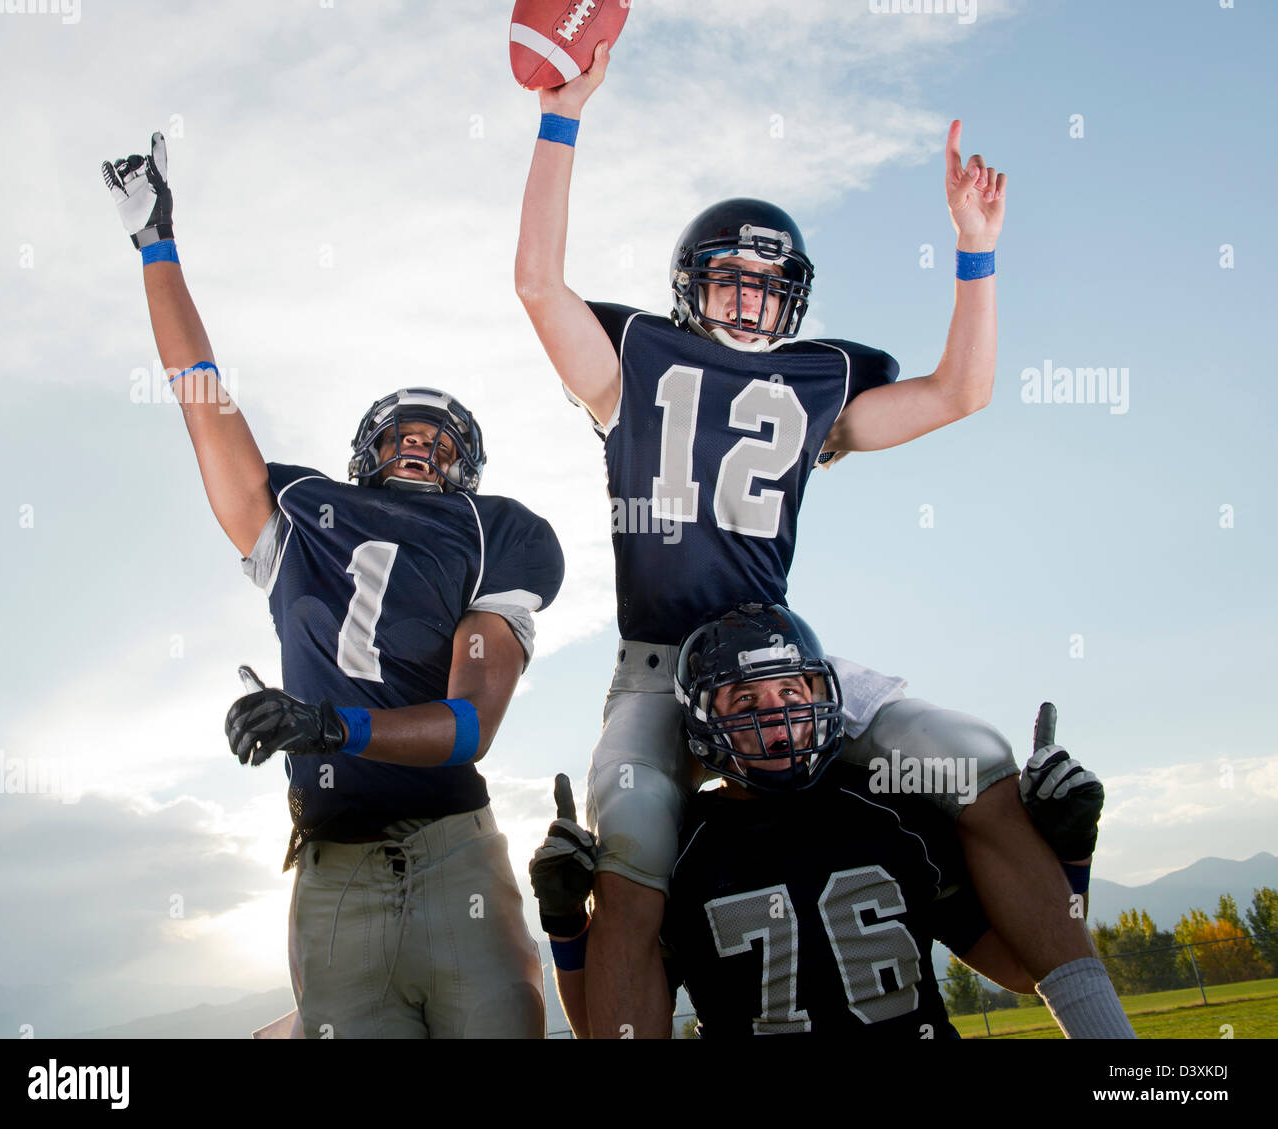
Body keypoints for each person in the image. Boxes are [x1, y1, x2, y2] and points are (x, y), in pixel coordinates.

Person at [514, 46, 1119, 1039]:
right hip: (659, 671)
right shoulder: (632, 365)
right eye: (730, 278)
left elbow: (958, 395)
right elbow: (538, 283)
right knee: (631, 850)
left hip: (784, 661)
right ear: (689, 287)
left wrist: (976, 250)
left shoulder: (816, 382)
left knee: (973, 757)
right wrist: (562, 116)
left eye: (768, 282)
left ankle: (1109, 1047)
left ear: (792, 295)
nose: (750, 298)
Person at [104, 134, 564, 1038]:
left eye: (439, 438)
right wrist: (157, 247)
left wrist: (327, 724)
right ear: (364, 456)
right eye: (404, 435)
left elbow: (469, 728)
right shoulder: (304, 516)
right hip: (331, 867)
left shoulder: (490, 531)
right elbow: (201, 396)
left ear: (468, 465)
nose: (421, 445)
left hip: (454, 853)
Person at [531, 604, 1131, 1039]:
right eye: (746, 702)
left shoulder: (897, 811)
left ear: (826, 698)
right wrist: (565, 926)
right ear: (700, 723)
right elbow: (614, 1027)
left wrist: (1072, 852)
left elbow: (1026, 968)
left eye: (791, 695)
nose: (777, 720)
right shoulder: (681, 846)